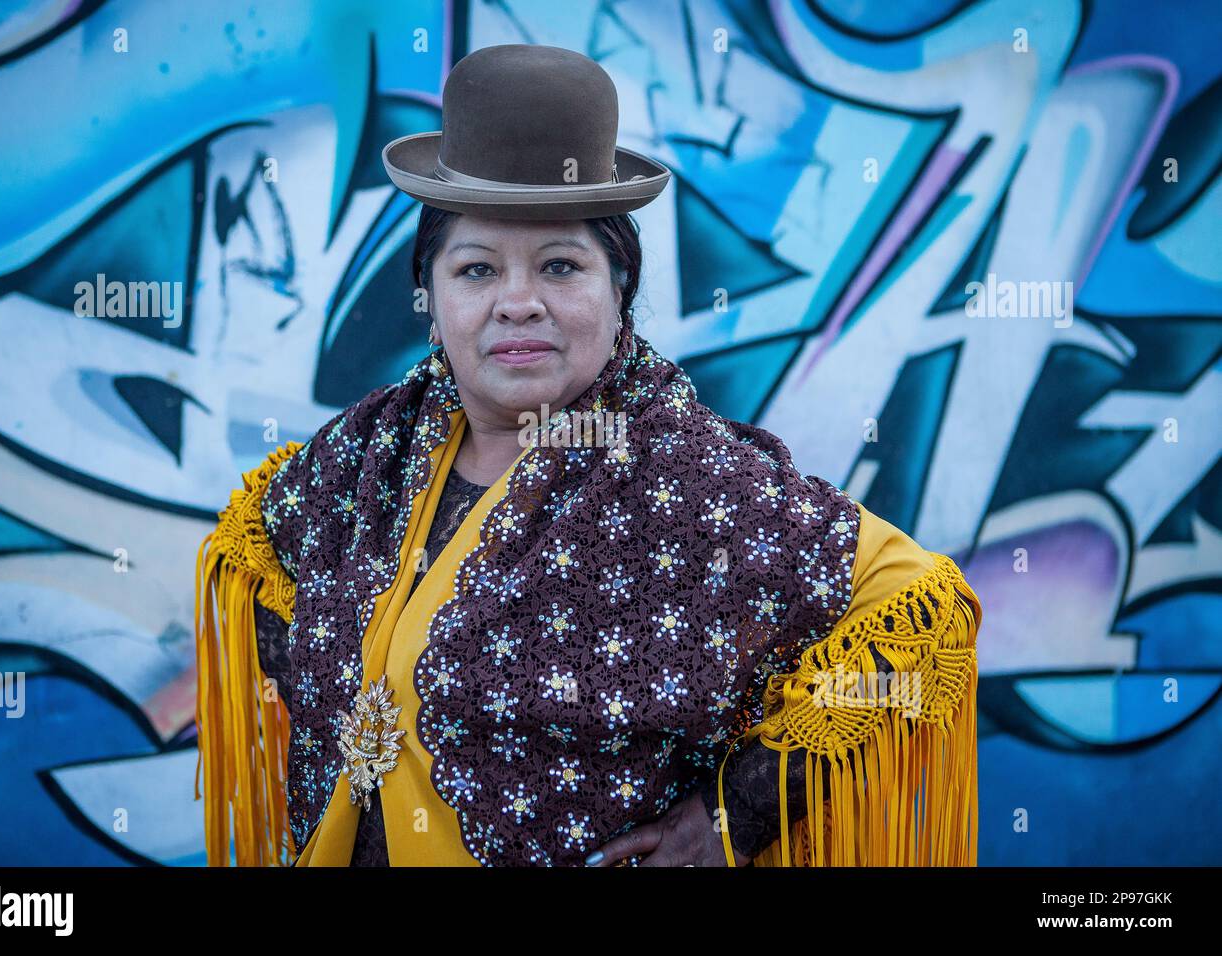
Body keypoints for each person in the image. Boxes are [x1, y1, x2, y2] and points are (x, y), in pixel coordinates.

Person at [194, 43, 982, 868]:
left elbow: (926, 619)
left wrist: (733, 818)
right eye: (476, 269)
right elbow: (258, 555)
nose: (518, 302)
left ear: (620, 290)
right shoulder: (369, 455)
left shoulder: (688, 479)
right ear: (431, 296)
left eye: (561, 267)